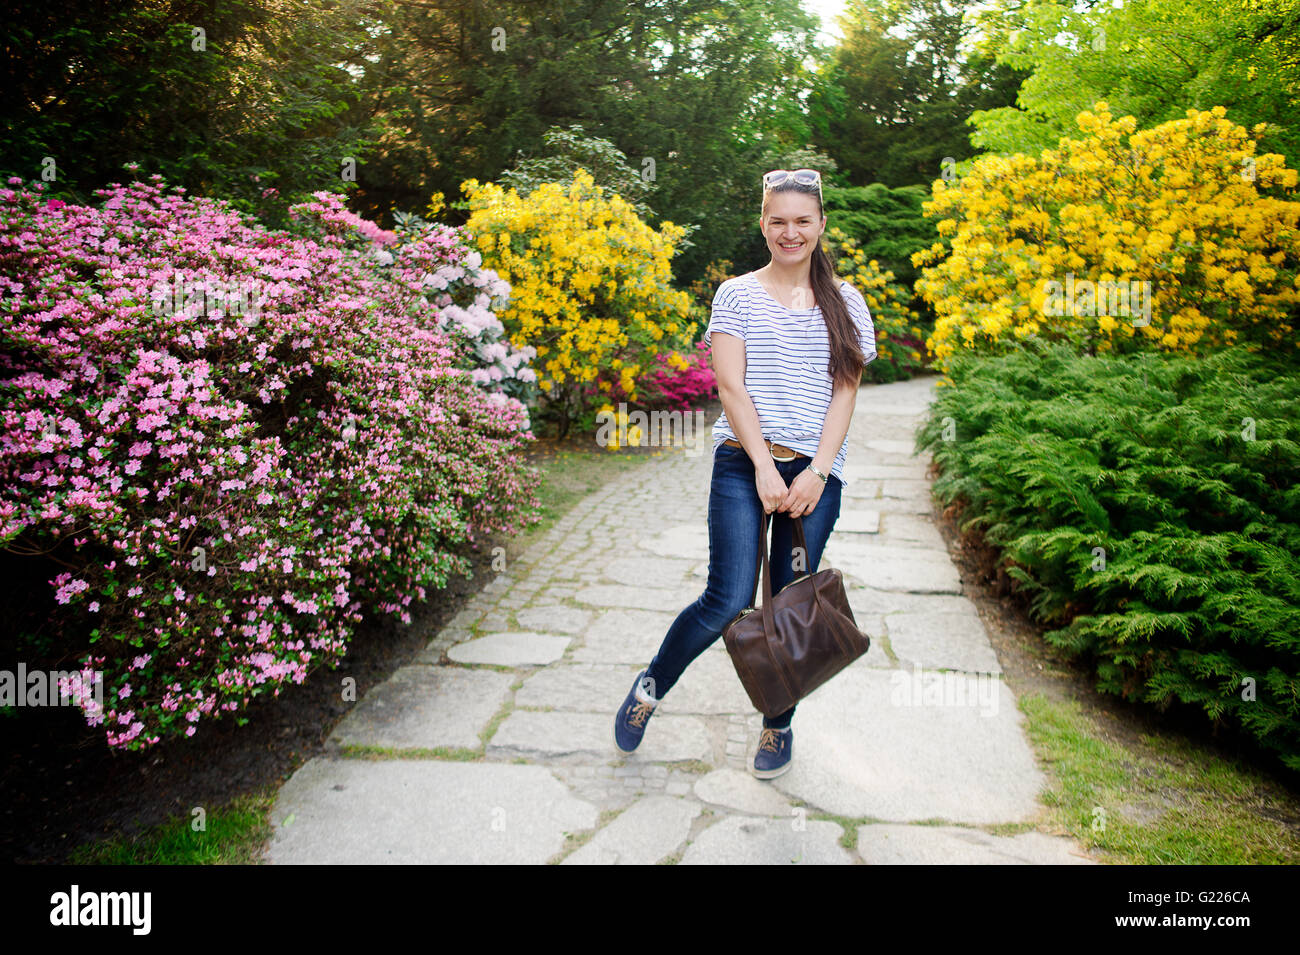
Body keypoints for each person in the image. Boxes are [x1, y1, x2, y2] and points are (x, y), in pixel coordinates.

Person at [613, 168, 877, 779]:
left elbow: (846, 394)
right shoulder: (736, 294)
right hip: (743, 463)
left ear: (820, 226)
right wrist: (763, 467)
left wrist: (816, 471)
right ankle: (650, 690)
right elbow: (730, 386)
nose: (790, 232)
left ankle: (777, 726)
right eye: (778, 220)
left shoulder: (848, 302)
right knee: (728, 597)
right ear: (763, 223)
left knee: (790, 604)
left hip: (815, 476)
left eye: (802, 221)